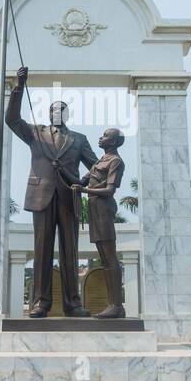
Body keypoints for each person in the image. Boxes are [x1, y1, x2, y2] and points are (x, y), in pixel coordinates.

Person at [6, 65, 98, 317]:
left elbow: (97, 166)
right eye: (53, 109)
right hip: (41, 197)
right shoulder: (36, 132)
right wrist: (19, 86)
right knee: (42, 250)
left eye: (61, 109)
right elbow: (11, 120)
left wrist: (83, 181)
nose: (57, 112)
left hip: (69, 196)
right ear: (48, 114)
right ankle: (40, 303)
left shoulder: (79, 139)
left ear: (66, 115)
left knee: (71, 251)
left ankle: (73, 303)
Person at [72, 128, 127, 318]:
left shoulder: (115, 161)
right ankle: (113, 305)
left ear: (113, 142)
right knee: (104, 258)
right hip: (95, 210)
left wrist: (86, 191)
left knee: (110, 258)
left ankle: (116, 306)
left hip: (104, 210)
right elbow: (80, 180)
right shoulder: (99, 162)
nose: (101, 138)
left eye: (105, 136)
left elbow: (109, 190)